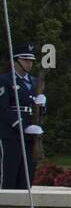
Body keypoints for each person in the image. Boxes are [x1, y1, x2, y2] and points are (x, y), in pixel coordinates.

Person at [0, 42, 43, 189]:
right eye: (25, 60)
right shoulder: (5, 80)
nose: (29, 63)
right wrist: (23, 127)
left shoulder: (36, 82)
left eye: (31, 60)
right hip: (11, 135)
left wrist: (42, 106)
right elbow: (3, 109)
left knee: (26, 179)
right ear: (15, 61)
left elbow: (39, 111)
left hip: (31, 135)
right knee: (9, 176)